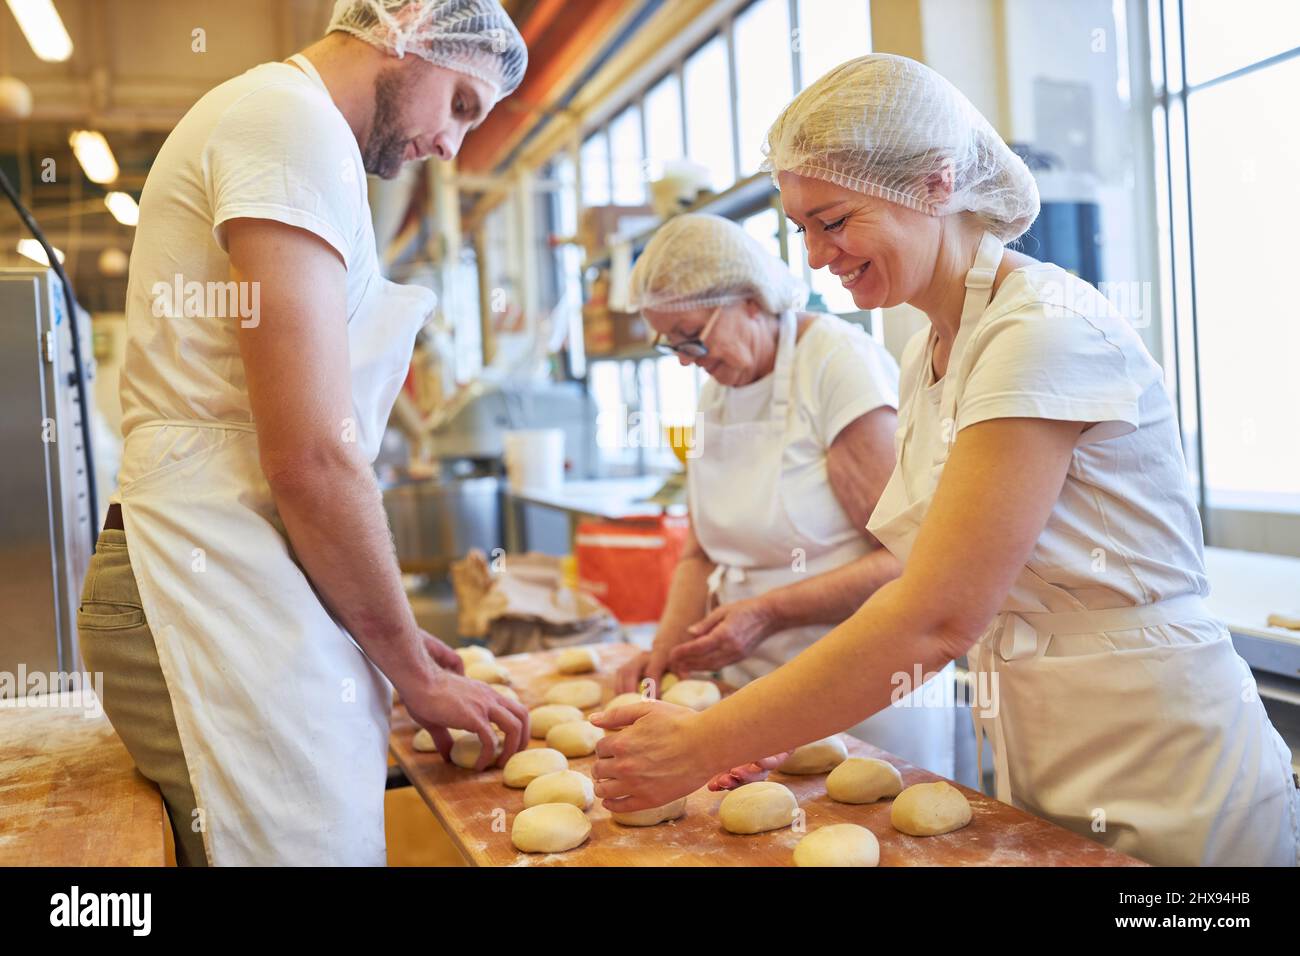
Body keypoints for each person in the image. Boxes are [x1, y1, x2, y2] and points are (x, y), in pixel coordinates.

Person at [590, 54, 1299, 866]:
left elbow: (936, 611)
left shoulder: (1040, 332)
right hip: (1046, 744)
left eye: (835, 220)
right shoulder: (932, 350)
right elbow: (922, 570)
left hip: (1167, 762)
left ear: (934, 184)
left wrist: (704, 742)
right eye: (802, 230)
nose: (817, 257)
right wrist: (782, 725)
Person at [75, 0, 530, 866]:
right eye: (462, 104)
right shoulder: (285, 123)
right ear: (405, 23)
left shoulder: (300, 135)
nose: (451, 145)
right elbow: (312, 454)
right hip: (194, 580)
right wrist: (415, 671)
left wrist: (384, 628)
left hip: (235, 572)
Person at [614, 213, 958, 778]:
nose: (683, 359)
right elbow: (700, 553)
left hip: (866, 688)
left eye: (691, 338)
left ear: (751, 300)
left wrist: (768, 613)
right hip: (754, 689)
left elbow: (908, 558)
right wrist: (664, 657)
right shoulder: (717, 390)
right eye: (668, 344)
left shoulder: (836, 367)